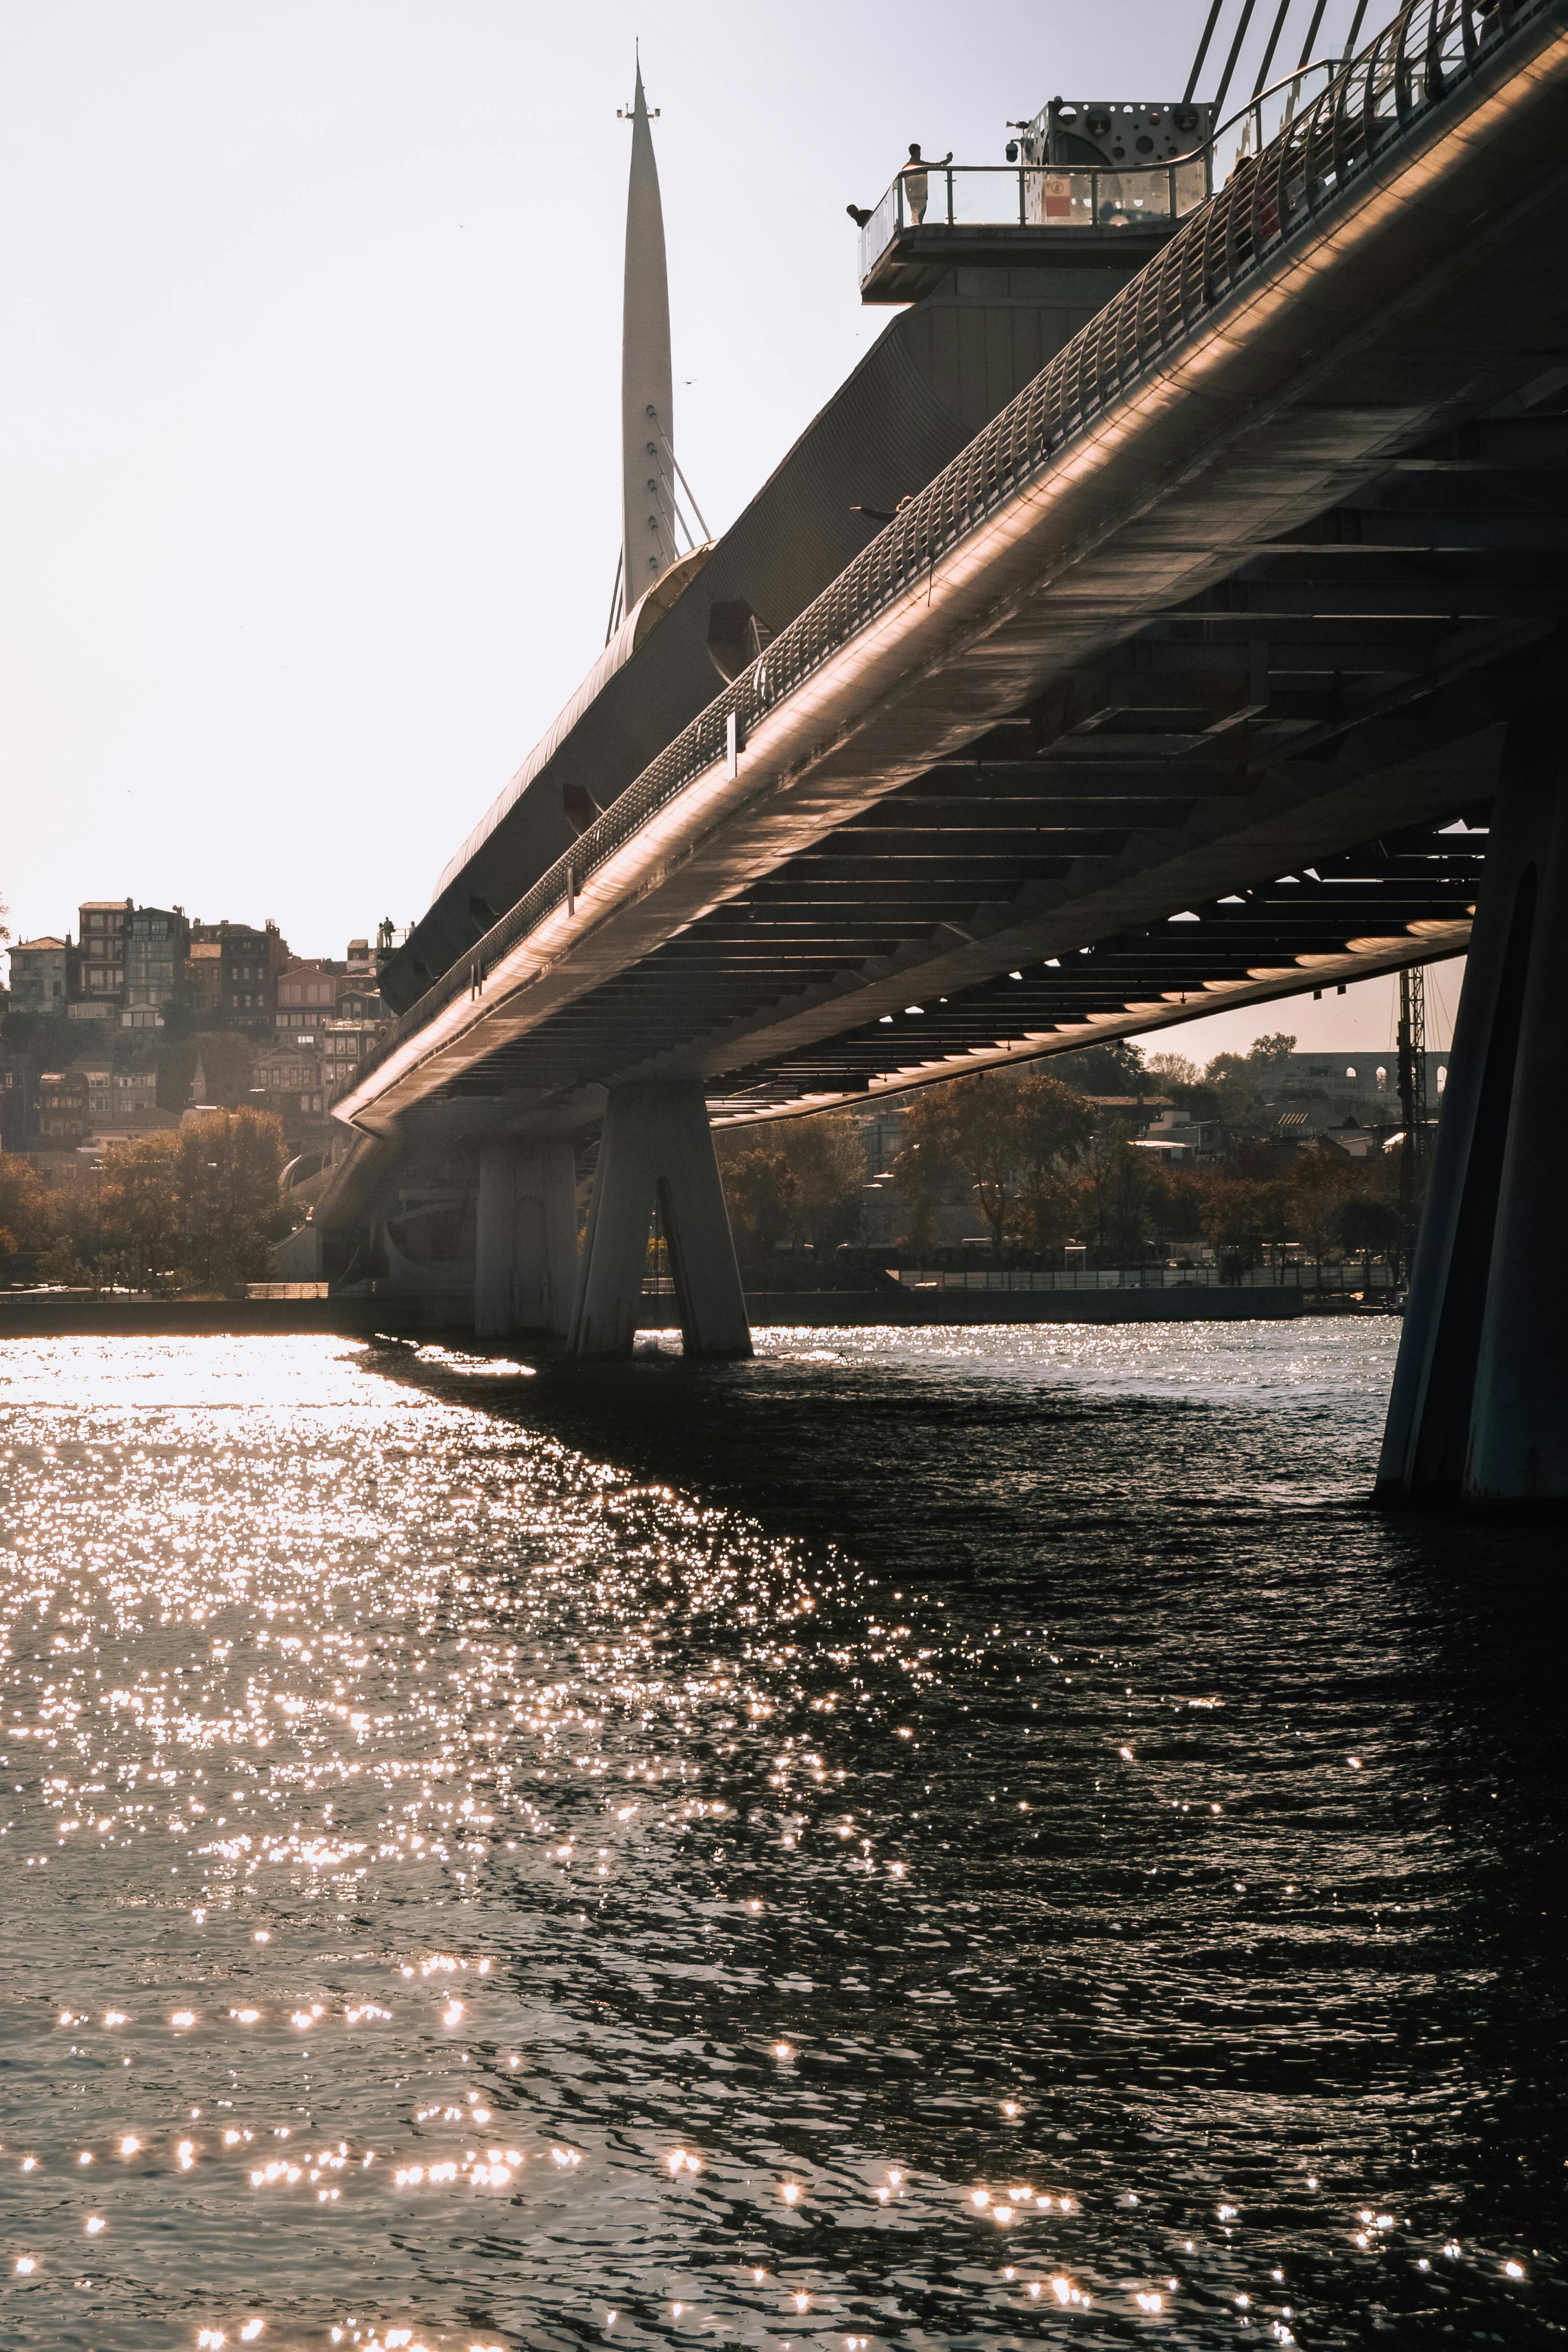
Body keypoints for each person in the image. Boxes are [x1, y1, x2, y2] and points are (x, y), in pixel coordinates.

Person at [900, 142, 951, 226]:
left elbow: (906, 185)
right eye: (919, 152)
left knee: (916, 217)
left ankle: (916, 225)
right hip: (920, 196)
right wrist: (948, 160)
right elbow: (938, 166)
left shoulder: (906, 168)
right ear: (916, 152)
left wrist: (908, 196)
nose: (920, 154)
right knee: (918, 218)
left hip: (912, 196)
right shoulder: (920, 165)